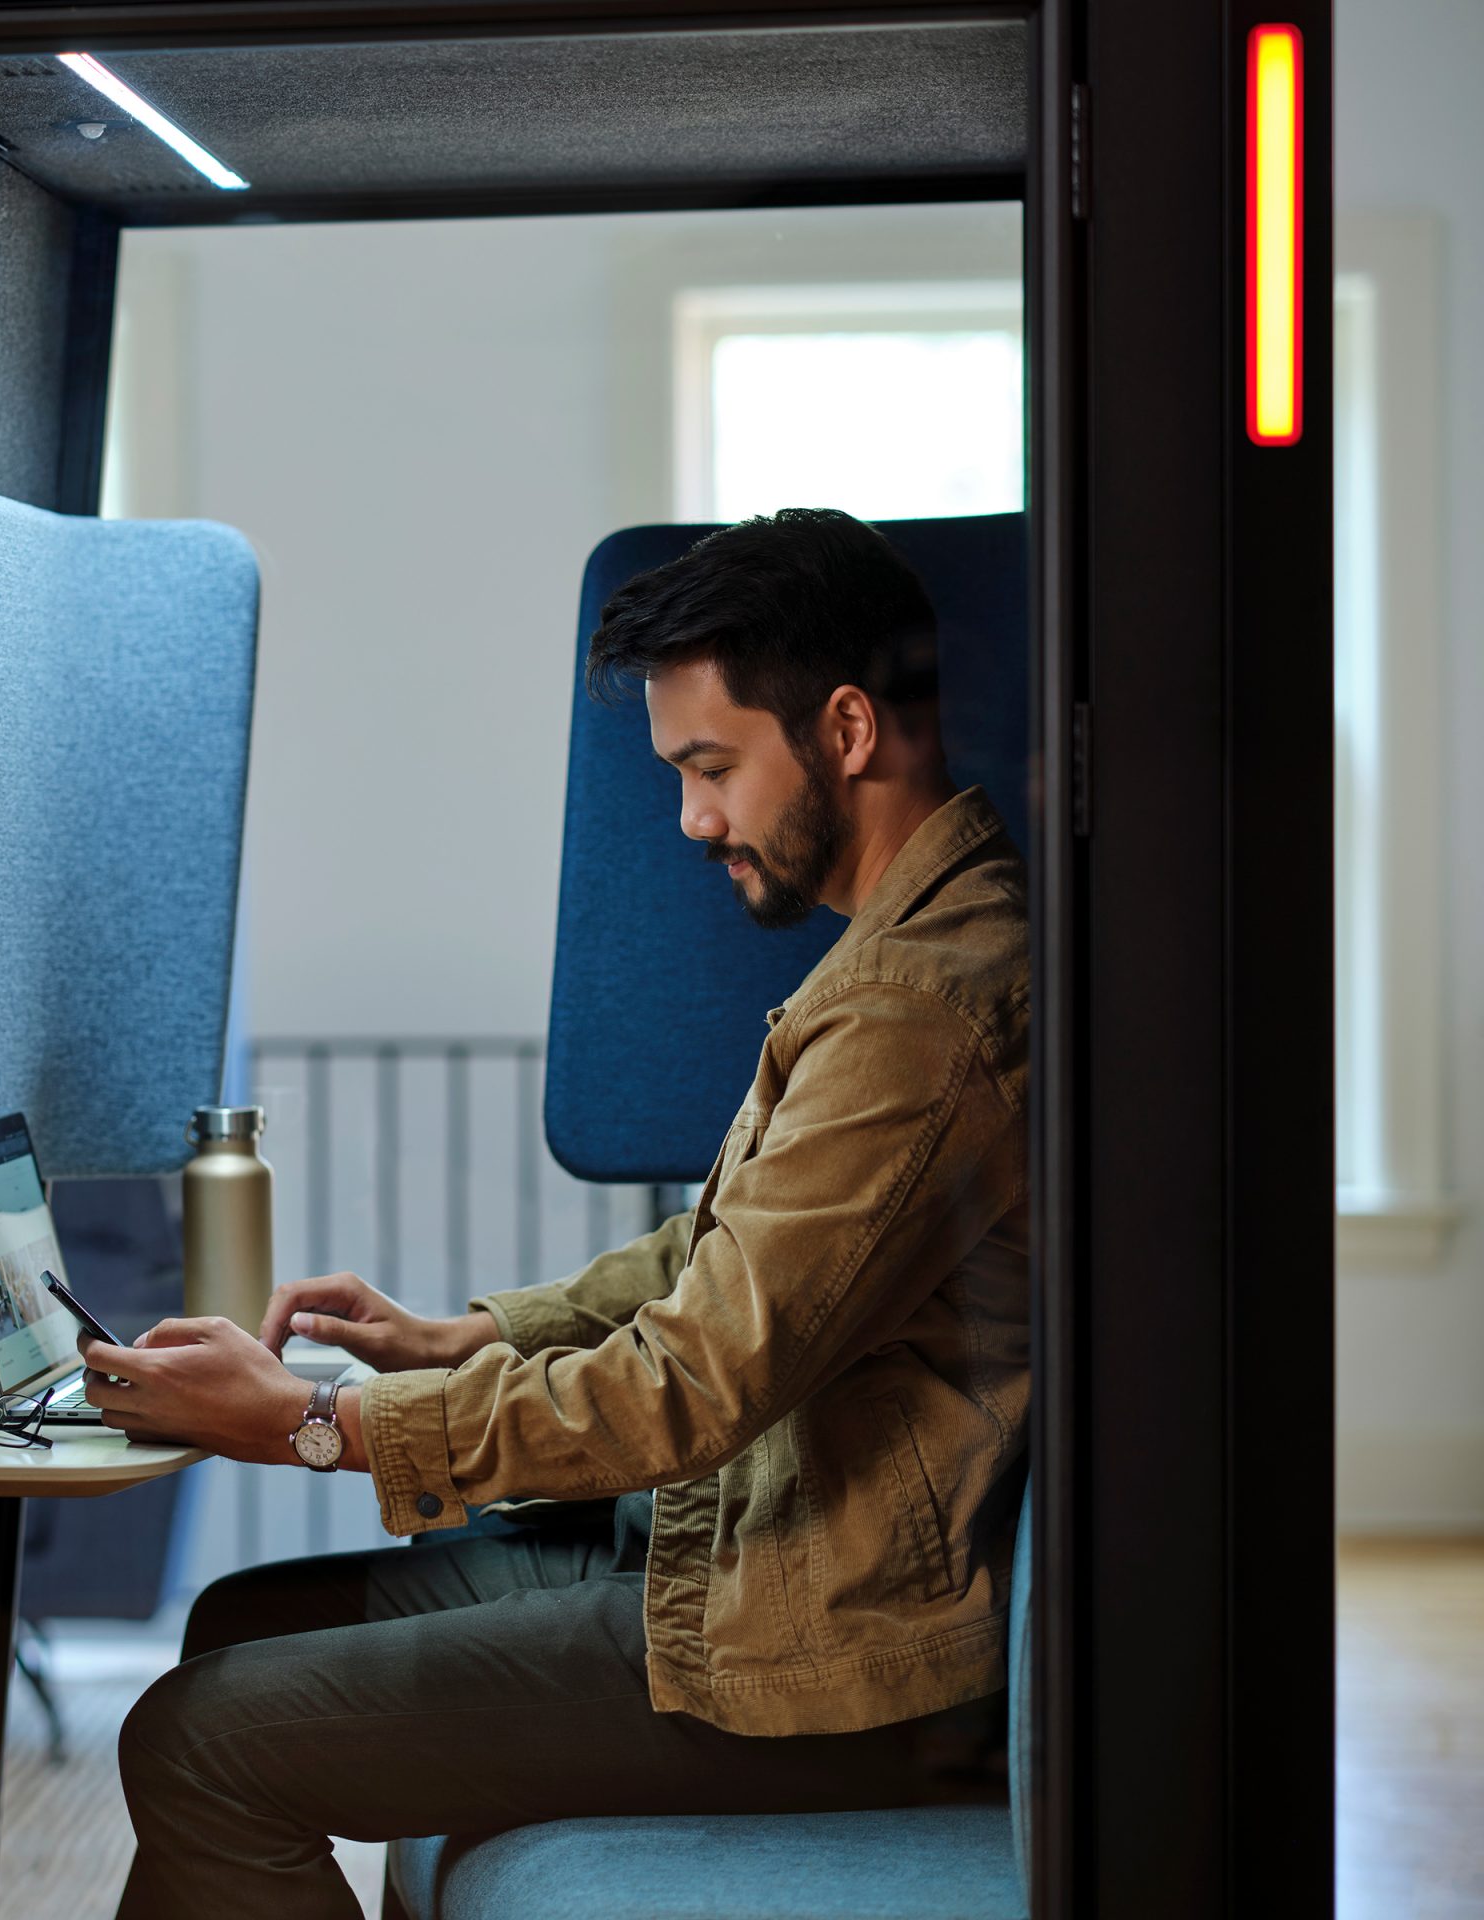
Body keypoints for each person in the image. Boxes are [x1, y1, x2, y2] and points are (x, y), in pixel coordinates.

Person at [79, 508, 1030, 1920]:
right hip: (744, 1543)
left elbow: (692, 1386)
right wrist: (468, 1335)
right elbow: (727, 1256)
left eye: (713, 769)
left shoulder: (920, 1010)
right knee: (236, 1626)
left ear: (843, 729)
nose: (694, 821)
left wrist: (310, 1423)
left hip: (827, 1648)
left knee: (200, 1742)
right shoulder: (901, 955)